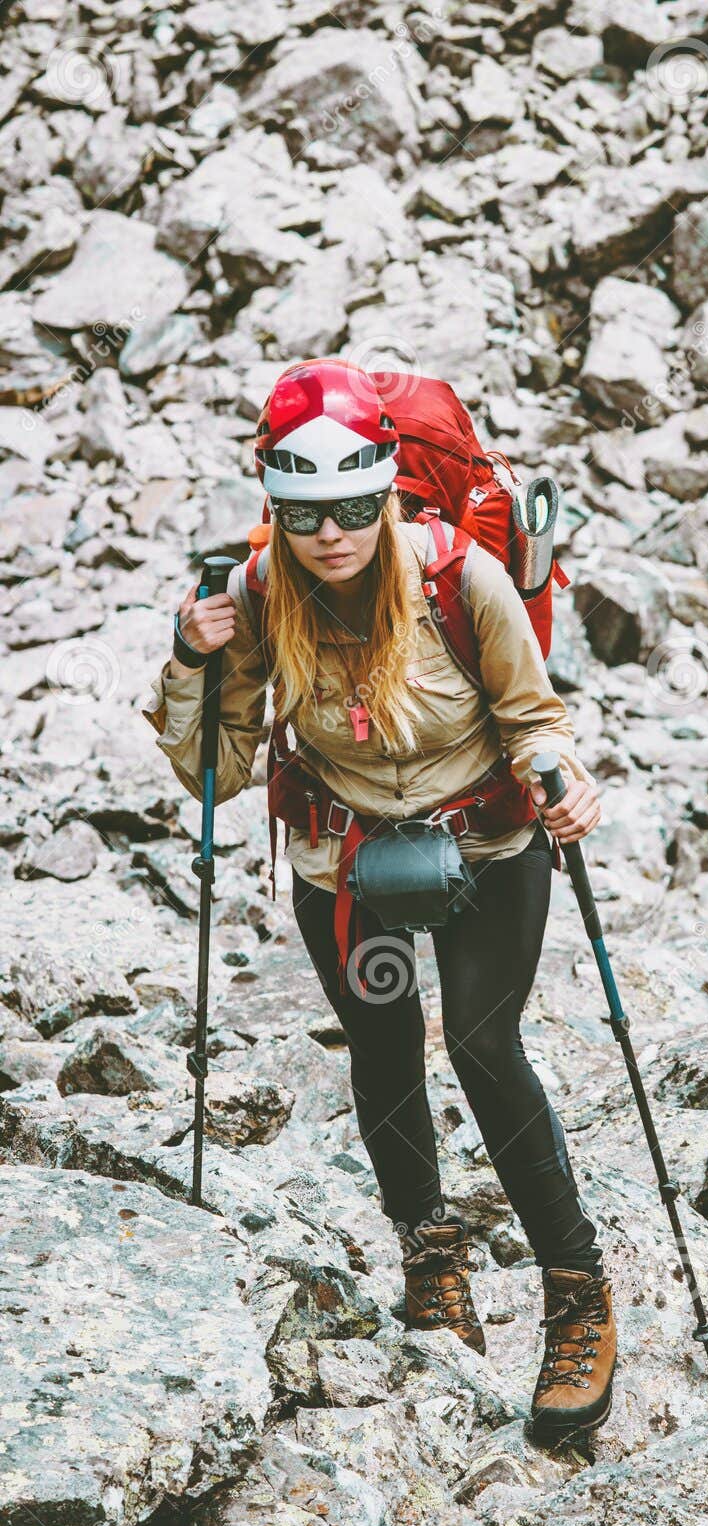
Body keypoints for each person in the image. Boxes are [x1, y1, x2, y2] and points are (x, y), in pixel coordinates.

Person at [142, 360, 616, 1443]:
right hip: (347, 863)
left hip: (488, 844)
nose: (335, 534)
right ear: (278, 507)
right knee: (383, 1043)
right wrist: (188, 657)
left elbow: (530, 713)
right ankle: (431, 1263)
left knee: (486, 1047)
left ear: (390, 489)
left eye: (357, 507)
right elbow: (211, 770)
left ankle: (576, 1294)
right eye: (307, 515)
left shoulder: (461, 579)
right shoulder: (260, 596)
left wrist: (561, 777)